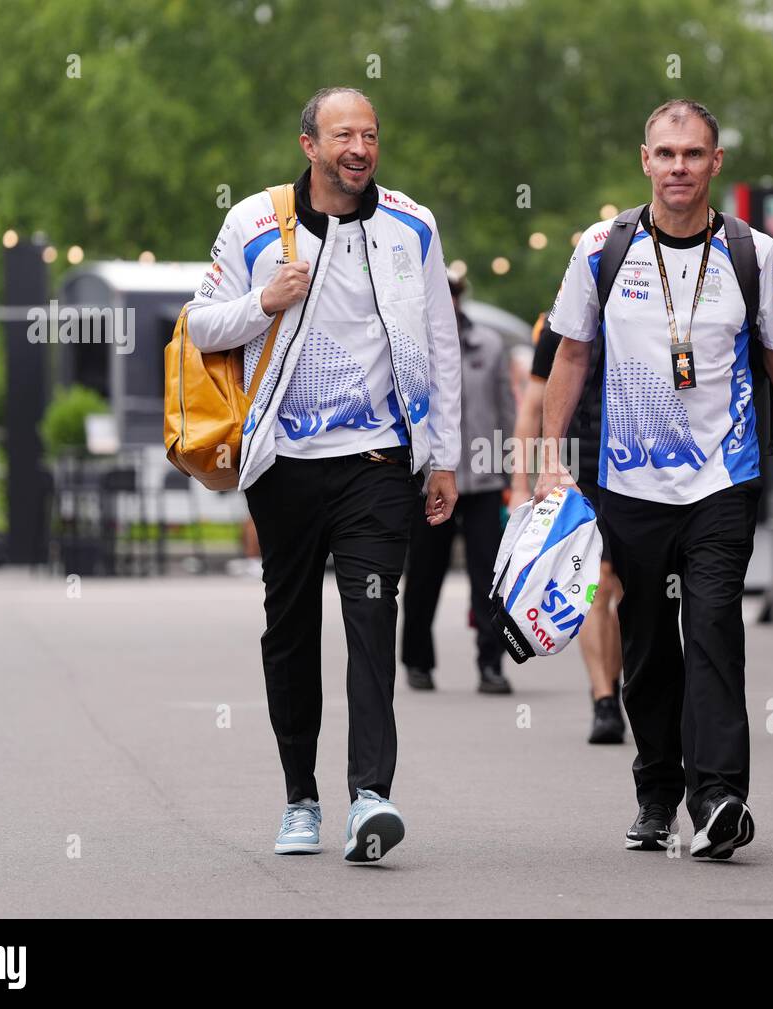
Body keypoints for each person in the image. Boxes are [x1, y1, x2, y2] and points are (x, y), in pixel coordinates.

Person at [536, 99, 773, 859]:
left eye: (693, 154)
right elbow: (571, 355)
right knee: (647, 648)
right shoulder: (602, 248)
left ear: (715, 164)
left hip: (722, 481)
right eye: (665, 154)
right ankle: (656, 793)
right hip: (628, 486)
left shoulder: (753, 252)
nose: (678, 167)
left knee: (712, 631)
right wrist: (546, 457)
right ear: (645, 161)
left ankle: (720, 797)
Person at [184, 86, 462, 862]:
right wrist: (262, 303)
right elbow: (199, 323)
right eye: (344, 135)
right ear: (309, 144)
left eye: (370, 135)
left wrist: (442, 454)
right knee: (291, 629)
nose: (360, 149)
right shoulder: (253, 223)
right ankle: (299, 796)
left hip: (376, 462)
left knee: (375, 623)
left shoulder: (412, 226)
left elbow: (441, 341)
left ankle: (370, 795)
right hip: (285, 467)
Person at [510, 315, 626, 743]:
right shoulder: (559, 323)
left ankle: (624, 686)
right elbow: (532, 408)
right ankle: (603, 700)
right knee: (595, 585)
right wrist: (521, 482)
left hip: (643, 473)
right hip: (582, 475)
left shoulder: (644, 305)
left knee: (626, 587)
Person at [401, 271, 515, 694]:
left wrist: (512, 472)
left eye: (450, 294)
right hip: (429, 478)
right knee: (425, 573)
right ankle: (417, 661)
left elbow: (506, 409)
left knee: (489, 575)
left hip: (484, 479)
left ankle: (491, 664)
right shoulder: (412, 348)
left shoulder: (488, 343)